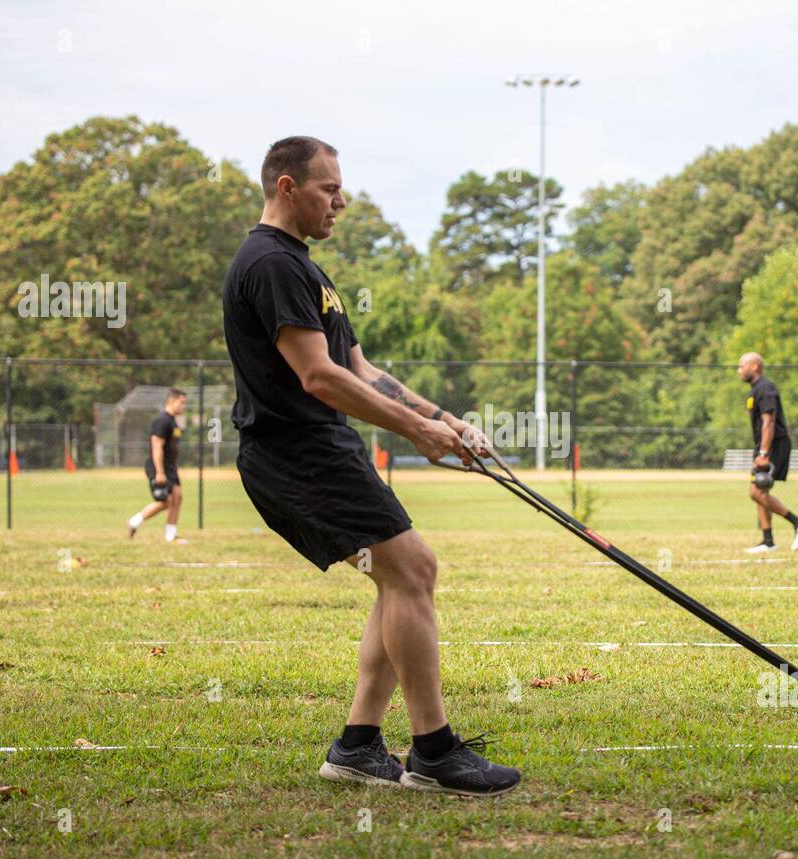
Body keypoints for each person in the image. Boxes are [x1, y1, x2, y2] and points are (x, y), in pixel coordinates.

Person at [223, 136, 520, 797]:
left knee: (398, 577)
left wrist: (444, 420)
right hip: (296, 453)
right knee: (413, 568)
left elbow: (361, 370)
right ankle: (435, 752)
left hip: (322, 449)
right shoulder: (269, 264)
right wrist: (417, 432)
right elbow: (318, 377)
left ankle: (357, 745)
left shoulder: (305, 269)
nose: (341, 202)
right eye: (329, 189)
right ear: (287, 188)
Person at [738, 352, 798, 554]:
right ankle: (768, 540)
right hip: (764, 445)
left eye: (742, 365)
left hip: (774, 444)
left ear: (755, 367)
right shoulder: (755, 390)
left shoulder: (766, 388)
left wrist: (763, 452)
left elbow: (769, 422)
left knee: (756, 492)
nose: (739, 369)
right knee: (761, 490)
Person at [127, 388, 188, 543]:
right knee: (164, 502)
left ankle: (170, 536)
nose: (183, 406)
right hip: (159, 467)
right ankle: (134, 521)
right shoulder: (162, 420)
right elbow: (157, 446)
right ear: (171, 401)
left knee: (177, 498)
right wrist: (160, 472)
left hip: (170, 467)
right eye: (182, 403)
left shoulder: (173, 421)